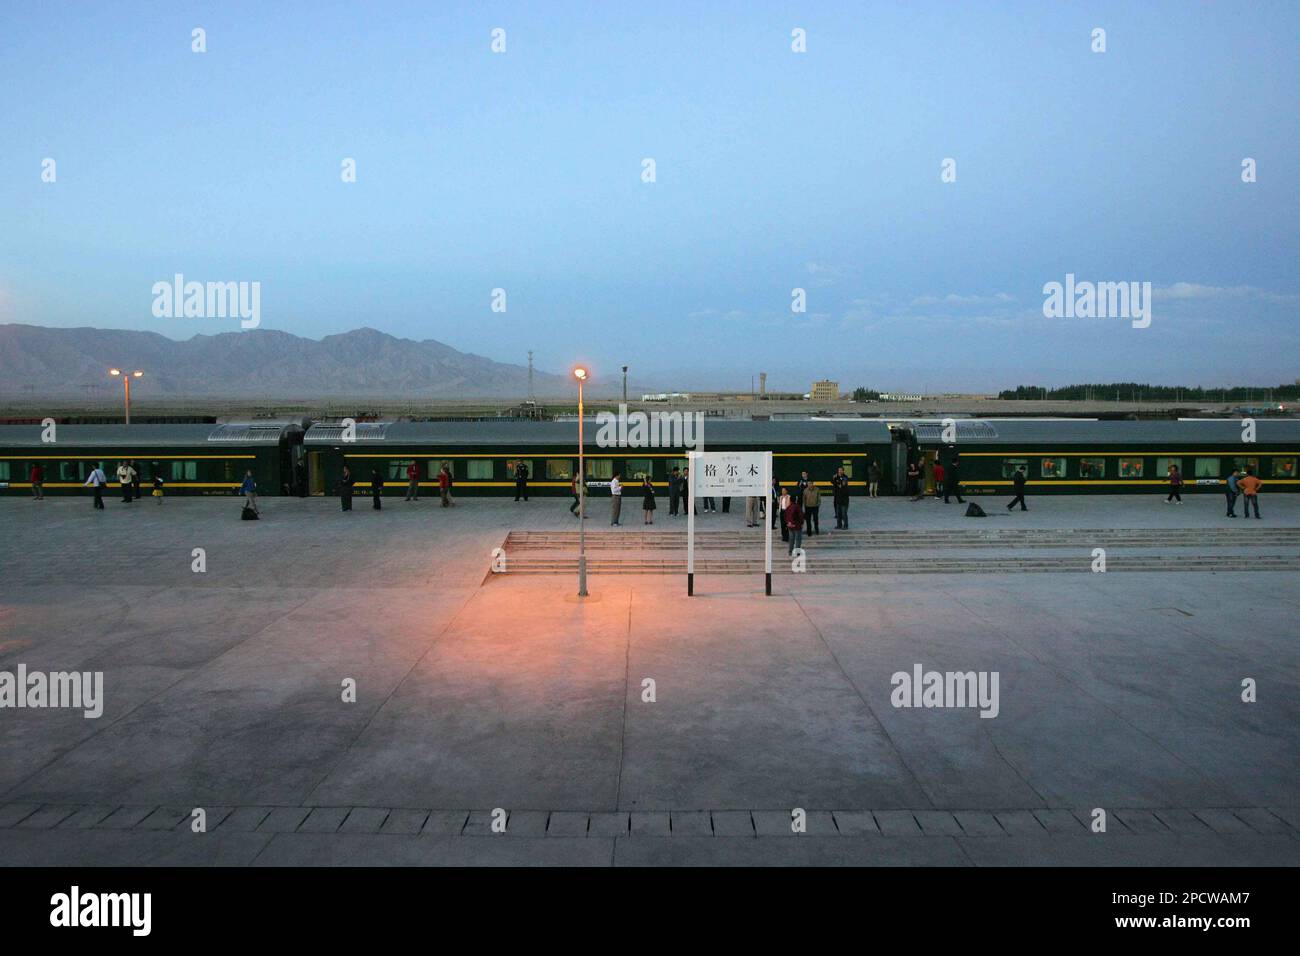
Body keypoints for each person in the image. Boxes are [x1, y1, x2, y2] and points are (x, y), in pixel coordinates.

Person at [784, 492, 804, 556]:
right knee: (798, 539)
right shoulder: (797, 507)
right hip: (797, 526)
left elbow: (785, 516)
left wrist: (788, 523)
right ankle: (797, 552)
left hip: (790, 526)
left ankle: (790, 551)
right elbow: (801, 516)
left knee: (791, 539)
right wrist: (801, 523)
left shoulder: (788, 507)